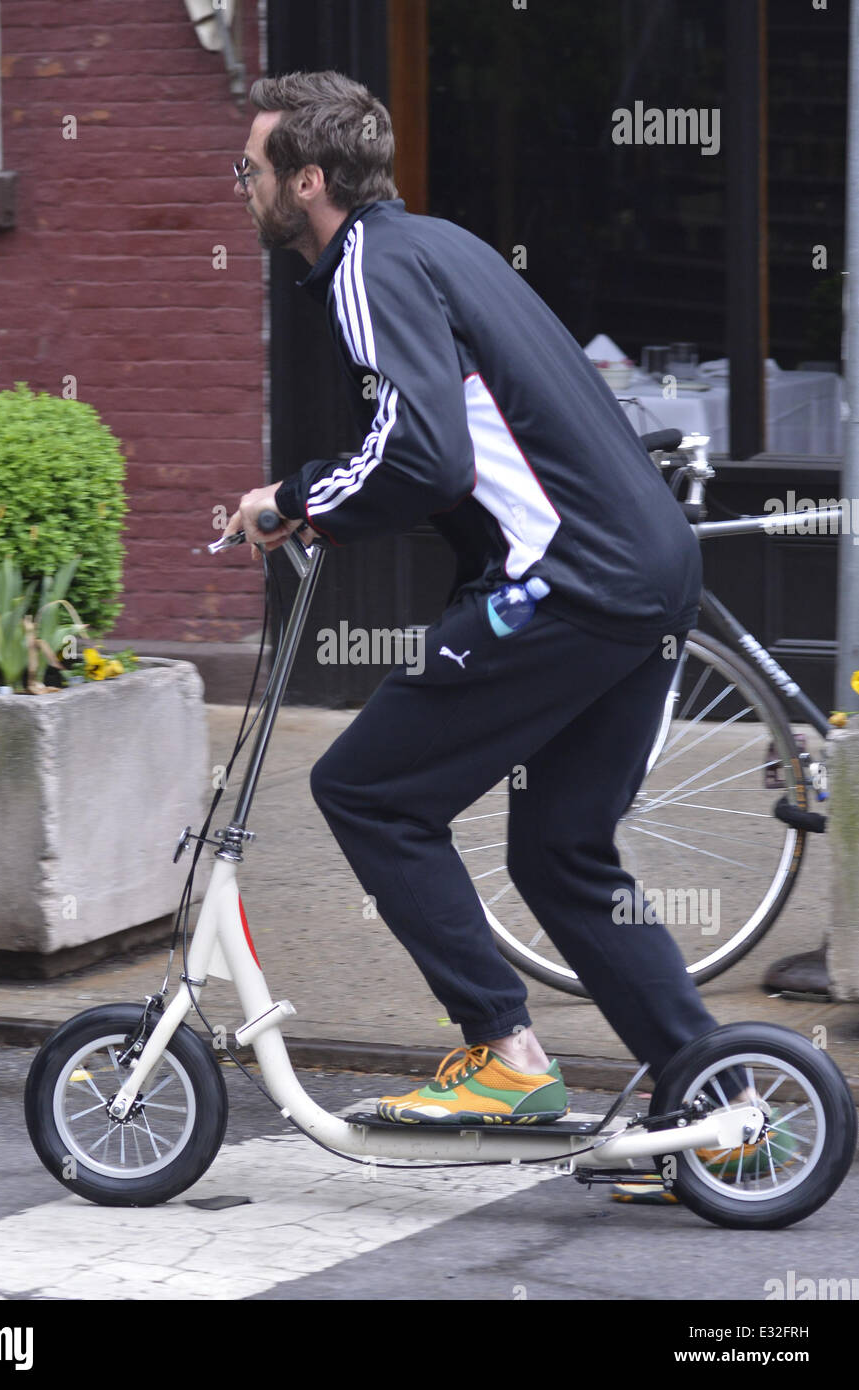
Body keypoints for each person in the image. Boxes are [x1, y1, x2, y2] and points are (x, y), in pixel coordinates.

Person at [223, 70, 750, 1128]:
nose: (241, 186)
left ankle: (500, 1050)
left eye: (251, 169)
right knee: (559, 853)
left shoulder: (370, 265)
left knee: (368, 791)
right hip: (640, 573)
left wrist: (294, 495)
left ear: (308, 181)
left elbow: (420, 453)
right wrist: (323, 501)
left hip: (567, 581)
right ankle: (721, 1115)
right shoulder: (434, 244)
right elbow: (454, 446)